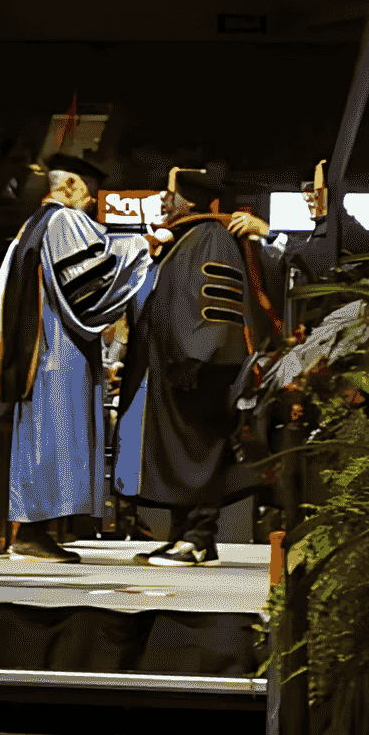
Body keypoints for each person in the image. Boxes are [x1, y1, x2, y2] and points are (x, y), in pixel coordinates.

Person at [0, 155, 154, 562]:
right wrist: (143, 246)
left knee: (41, 442)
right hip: (58, 352)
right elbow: (92, 283)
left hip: (39, 350)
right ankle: (31, 535)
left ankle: (33, 533)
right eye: (90, 190)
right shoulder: (63, 220)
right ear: (68, 185)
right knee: (54, 441)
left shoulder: (30, 225)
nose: (94, 200)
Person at [115, 170, 283, 566]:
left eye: (169, 194)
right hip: (171, 367)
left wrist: (198, 355)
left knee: (198, 453)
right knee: (179, 455)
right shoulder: (183, 239)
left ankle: (199, 538)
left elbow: (216, 304)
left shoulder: (210, 236)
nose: (163, 200)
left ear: (189, 200)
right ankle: (182, 535)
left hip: (199, 367)